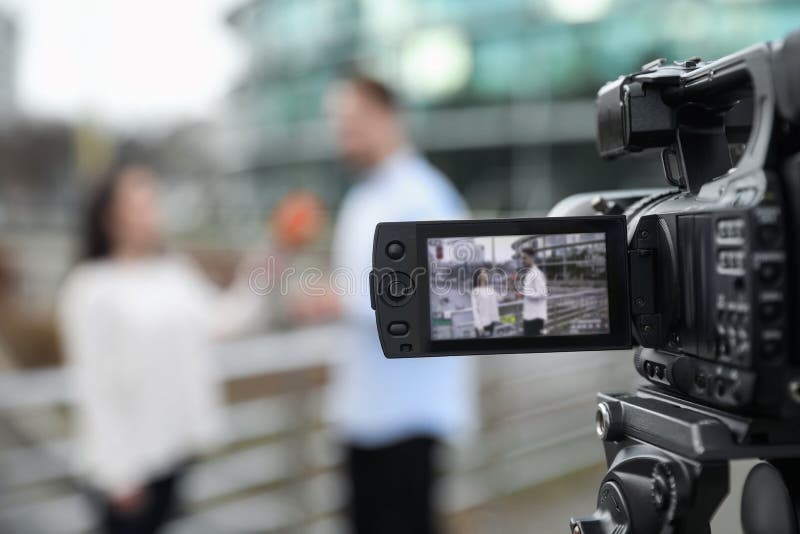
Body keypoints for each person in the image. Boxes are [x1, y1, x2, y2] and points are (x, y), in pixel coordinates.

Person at [58, 162, 264, 534]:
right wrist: (118, 476)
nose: (152, 212)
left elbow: (224, 320)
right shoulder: (89, 287)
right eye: (139, 203)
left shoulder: (175, 272)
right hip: (124, 473)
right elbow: (95, 386)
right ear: (110, 216)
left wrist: (274, 256)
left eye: (154, 201)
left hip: (171, 453)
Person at [328, 74, 476, 534]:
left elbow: (451, 295)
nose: (343, 134)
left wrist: (340, 302)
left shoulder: (426, 195)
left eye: (352, 121)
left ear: (388, 117)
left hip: (409, 415)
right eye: (339, 123)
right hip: (363, 410)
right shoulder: (362, 197)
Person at [519, 246, 548, 336]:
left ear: (531, 258)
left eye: (525, 258)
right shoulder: (530, 273)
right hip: (530, 317)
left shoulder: (536, 274)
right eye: (522, 258)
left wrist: (526, 293)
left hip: (535, 319)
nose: (523, 260)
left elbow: (543, 293)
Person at [471, 267, 500, 337]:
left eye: (486, 272)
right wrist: (480, 327)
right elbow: (475, 310)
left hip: (491, 322)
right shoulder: (475, 291)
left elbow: (500, 298)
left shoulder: (490, 289)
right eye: (483, 272)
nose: (486, 274)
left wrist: (511, 285)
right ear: (479, 276)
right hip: (481, 325)